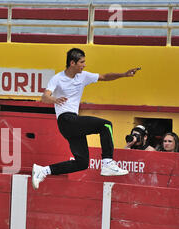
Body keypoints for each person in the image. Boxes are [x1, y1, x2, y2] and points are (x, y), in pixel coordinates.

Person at [32, 48, 140, 189]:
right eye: (82, 62)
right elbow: (44, 97)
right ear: (72, 63)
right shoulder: (57, 78)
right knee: (106, 125)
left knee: (82, 163)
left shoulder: (83, 76)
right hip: (66, 120)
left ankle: (43, 171)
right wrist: (55, 99)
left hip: (72, 125)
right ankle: (107, 163)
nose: (84, 65)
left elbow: (104, 77)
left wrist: (124, 74)